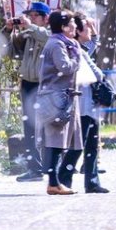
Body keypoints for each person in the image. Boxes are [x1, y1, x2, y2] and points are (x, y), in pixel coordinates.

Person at [36, 10, 82, 193]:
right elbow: (64, 67)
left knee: (63, 141)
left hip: (62, 97)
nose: (75, 27)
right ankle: (54, 183)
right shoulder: (57, 44)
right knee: (55, 140)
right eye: (71, 24)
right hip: (56, 98)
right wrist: (76, 58)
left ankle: (56, 182)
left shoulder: (64, 43)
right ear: (63, 27)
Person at [5, 1, 51, 180]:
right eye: (29, 15)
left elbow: (46, 38)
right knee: (29, 127)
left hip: (45, 84)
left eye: (34, 15)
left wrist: (30, 26)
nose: (30, 19)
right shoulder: (28, 35)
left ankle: (51, 165)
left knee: (49, 126)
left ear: (45, 18)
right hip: (28, 83)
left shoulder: (51, 32)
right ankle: (35, 168)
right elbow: (10, 53)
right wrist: (9, 31)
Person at [73, 13, 109, 193]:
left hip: (89, 103)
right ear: (78, 32)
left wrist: (93, 29)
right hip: (81, 102)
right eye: (86, 28)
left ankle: (92, 182)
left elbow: (95, 42)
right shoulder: (75, 49)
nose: (90, 31)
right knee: (78, 145)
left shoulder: (83, 48)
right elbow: (97, 75)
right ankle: (62, 177)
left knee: (91, 144)